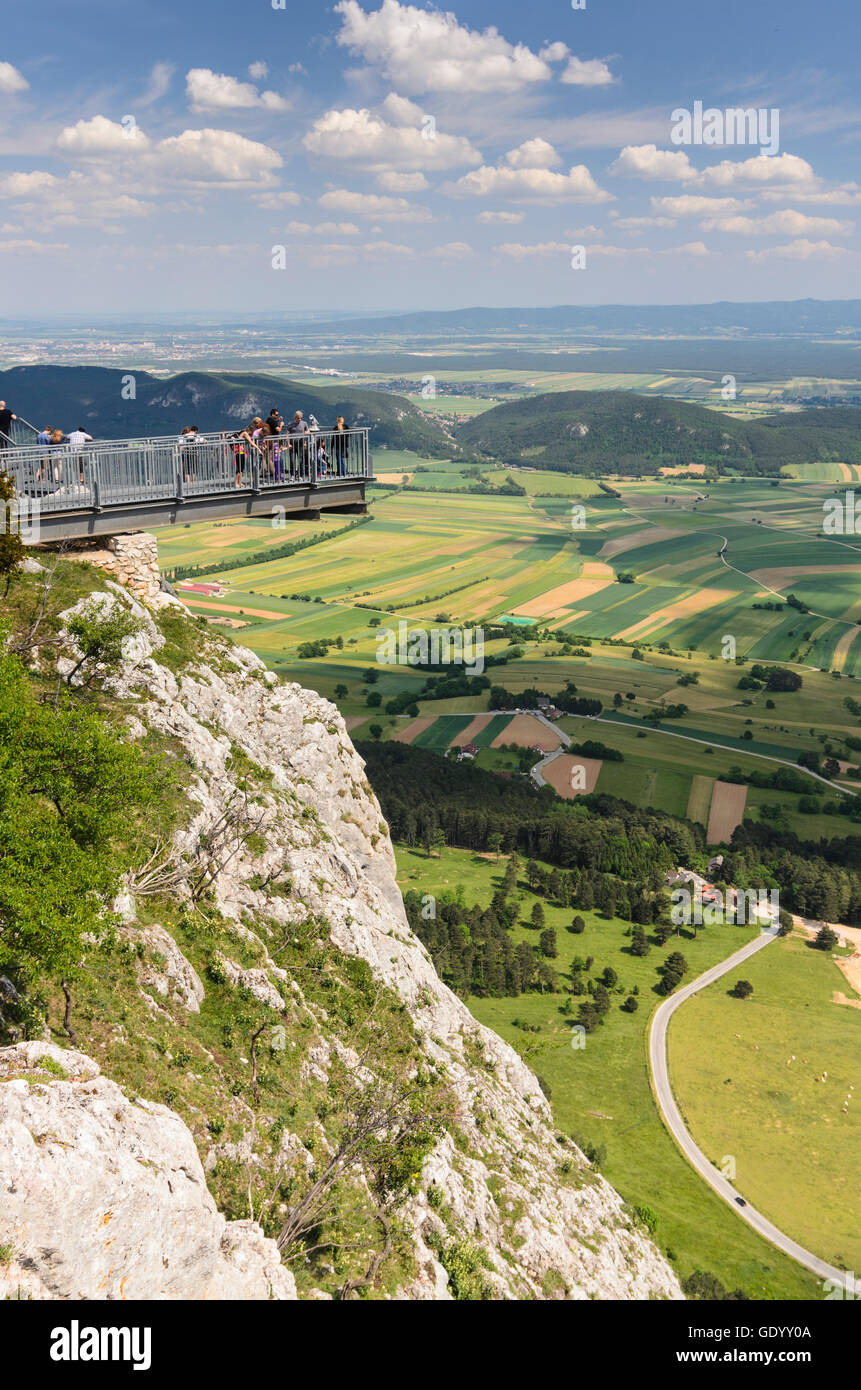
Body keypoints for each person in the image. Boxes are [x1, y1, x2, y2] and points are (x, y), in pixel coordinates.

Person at [286, 410, 309, 478]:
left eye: (301, 418)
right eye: (298, 418)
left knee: (301, 460)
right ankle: (292, 474)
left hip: (301, 443)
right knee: (292, 460)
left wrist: (307, 433)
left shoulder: (304, 423)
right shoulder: (290, 424)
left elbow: (307, 430)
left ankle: (300, 475)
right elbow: (287, 435)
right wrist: (288, 444)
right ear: (295, 418)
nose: (300, 419)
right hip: (292, 444)